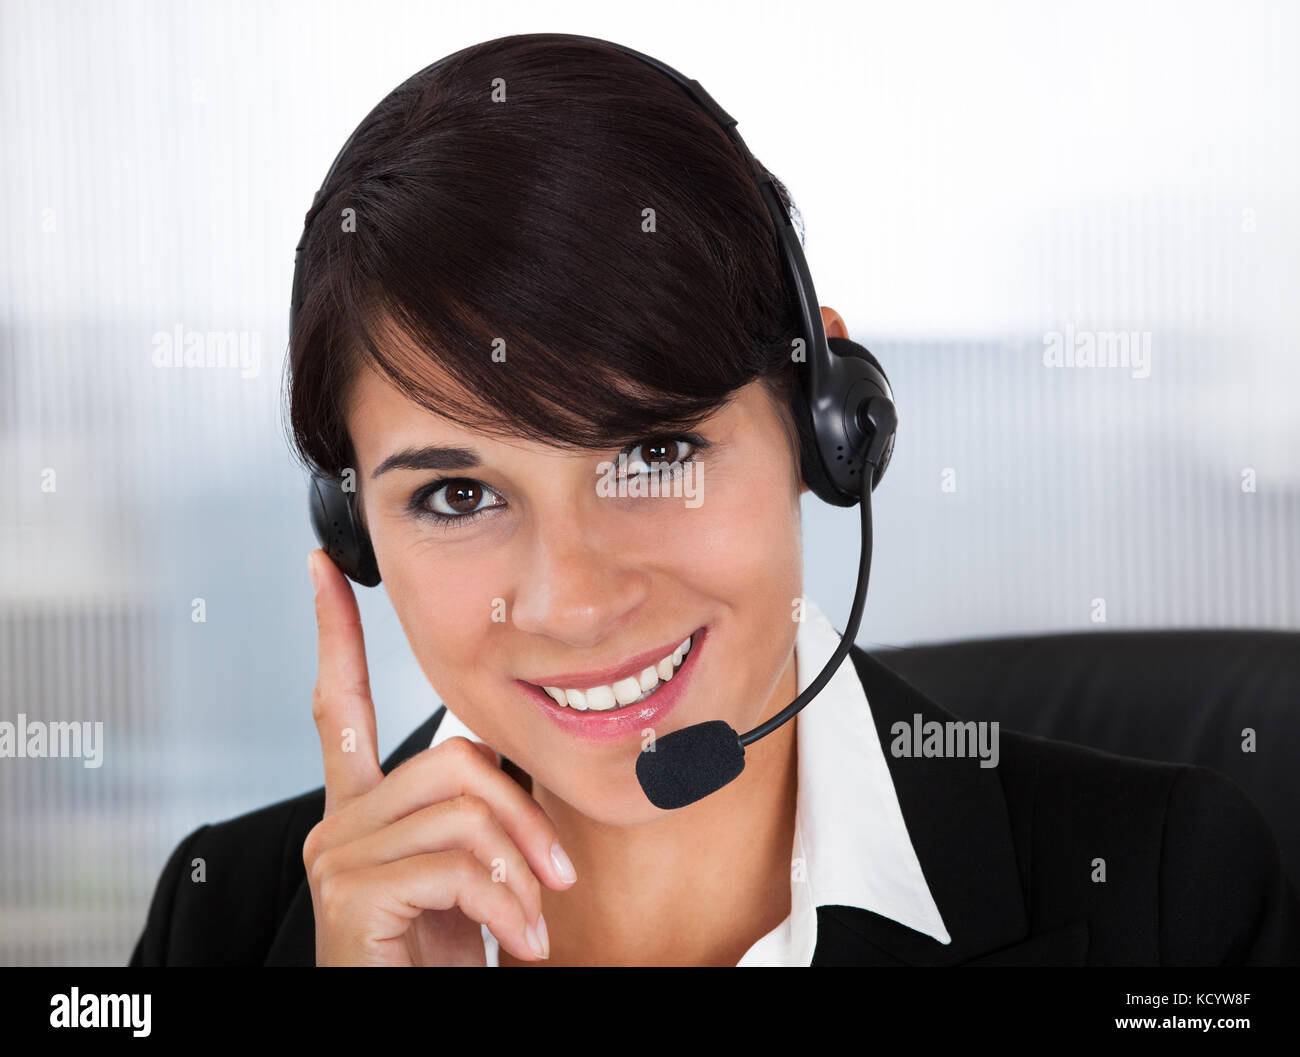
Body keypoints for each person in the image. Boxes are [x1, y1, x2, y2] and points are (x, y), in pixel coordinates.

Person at [129, 32, 1300, 966]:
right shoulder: (230, 922)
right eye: (453, 494)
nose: (572, 599)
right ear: (353, 526)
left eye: (649, 453)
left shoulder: (1165, 894)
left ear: (826, 421)